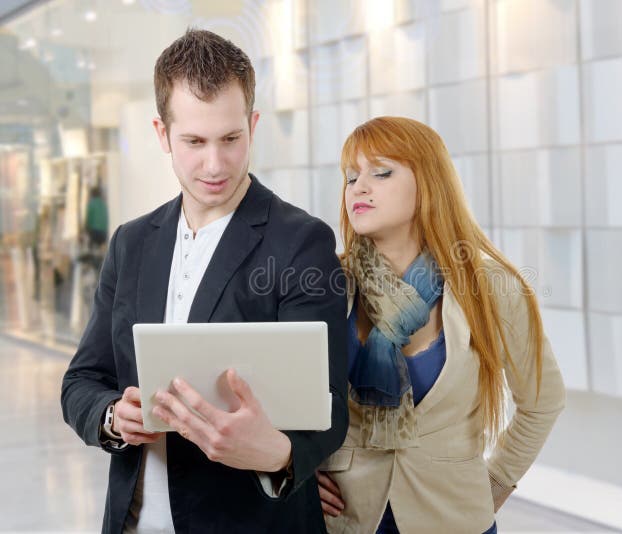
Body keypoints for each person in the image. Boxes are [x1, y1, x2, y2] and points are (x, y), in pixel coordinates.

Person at [61, 28, 348, 533]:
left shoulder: (301, 241)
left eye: (231, 139)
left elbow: (328, 406)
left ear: (253, 126)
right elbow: (82, 380)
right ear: (162, 134)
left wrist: (277, 454)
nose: (215, 164)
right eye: (194, 141)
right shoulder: (131, 243)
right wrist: (112, 416)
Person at [315, 117, 567, 534]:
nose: (358, 188)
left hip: (454, 518)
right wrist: (296, 471)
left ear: (428, 183)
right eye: (351, 177)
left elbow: (543, 402)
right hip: (346, 520)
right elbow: (283, 400)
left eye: (381, 172)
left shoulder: (491, 288)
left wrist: (492, 485)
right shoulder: (326, 284)